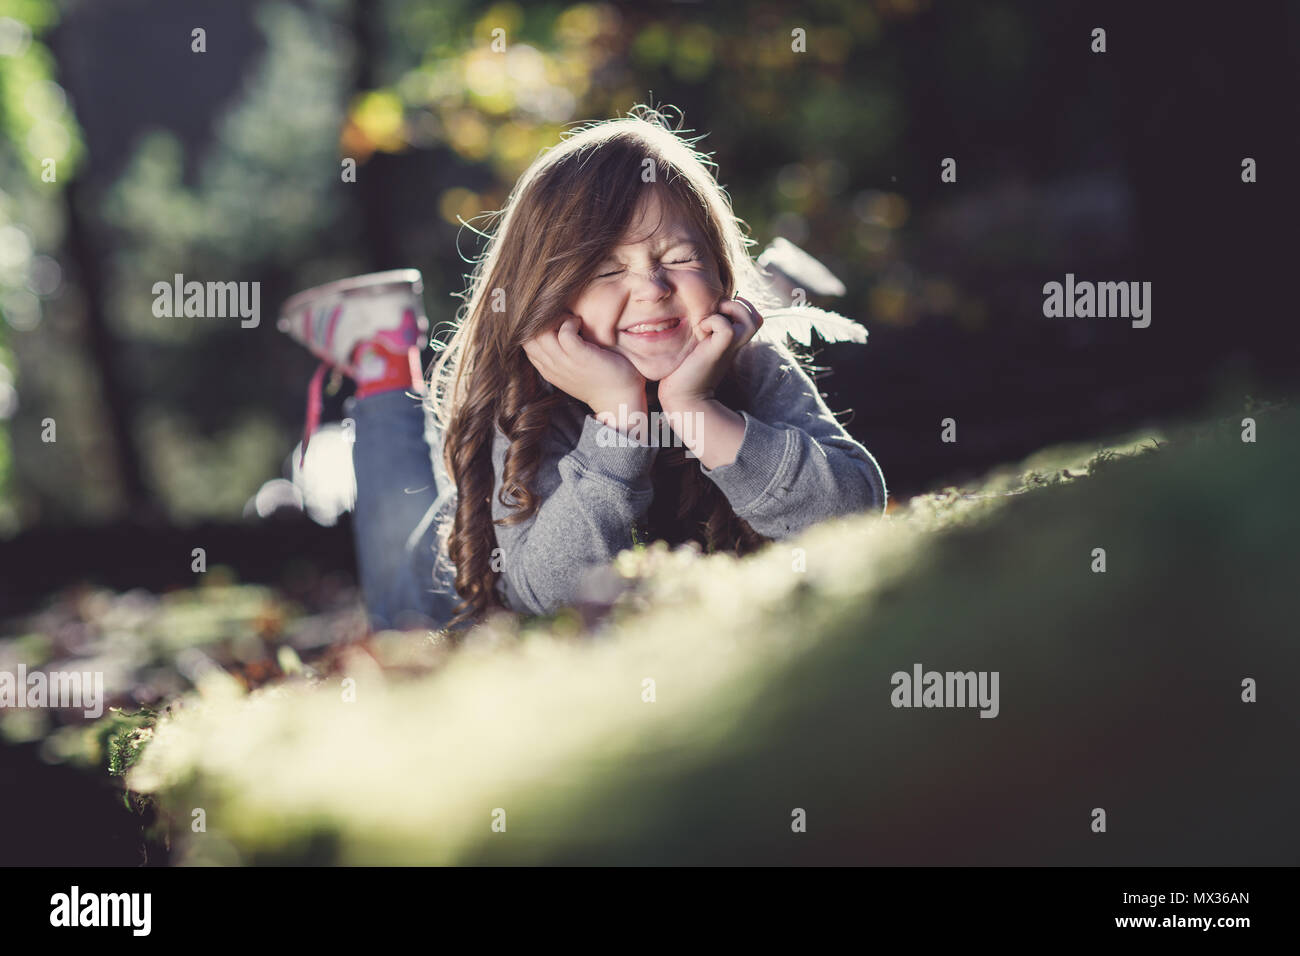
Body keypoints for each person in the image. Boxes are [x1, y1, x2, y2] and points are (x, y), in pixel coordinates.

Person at [278, 108, 888, 634]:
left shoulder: (751, 367)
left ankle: (767, 286)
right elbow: (549, 596)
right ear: (552, 295)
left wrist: (697, 411)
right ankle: (384, 354)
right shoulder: (522, 400)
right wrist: (621, 419)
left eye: (678, 258)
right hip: (444, 578)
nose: (650, 288)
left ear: (722, 274)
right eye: (605, 269)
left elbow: (853, 510)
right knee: (401, 603)